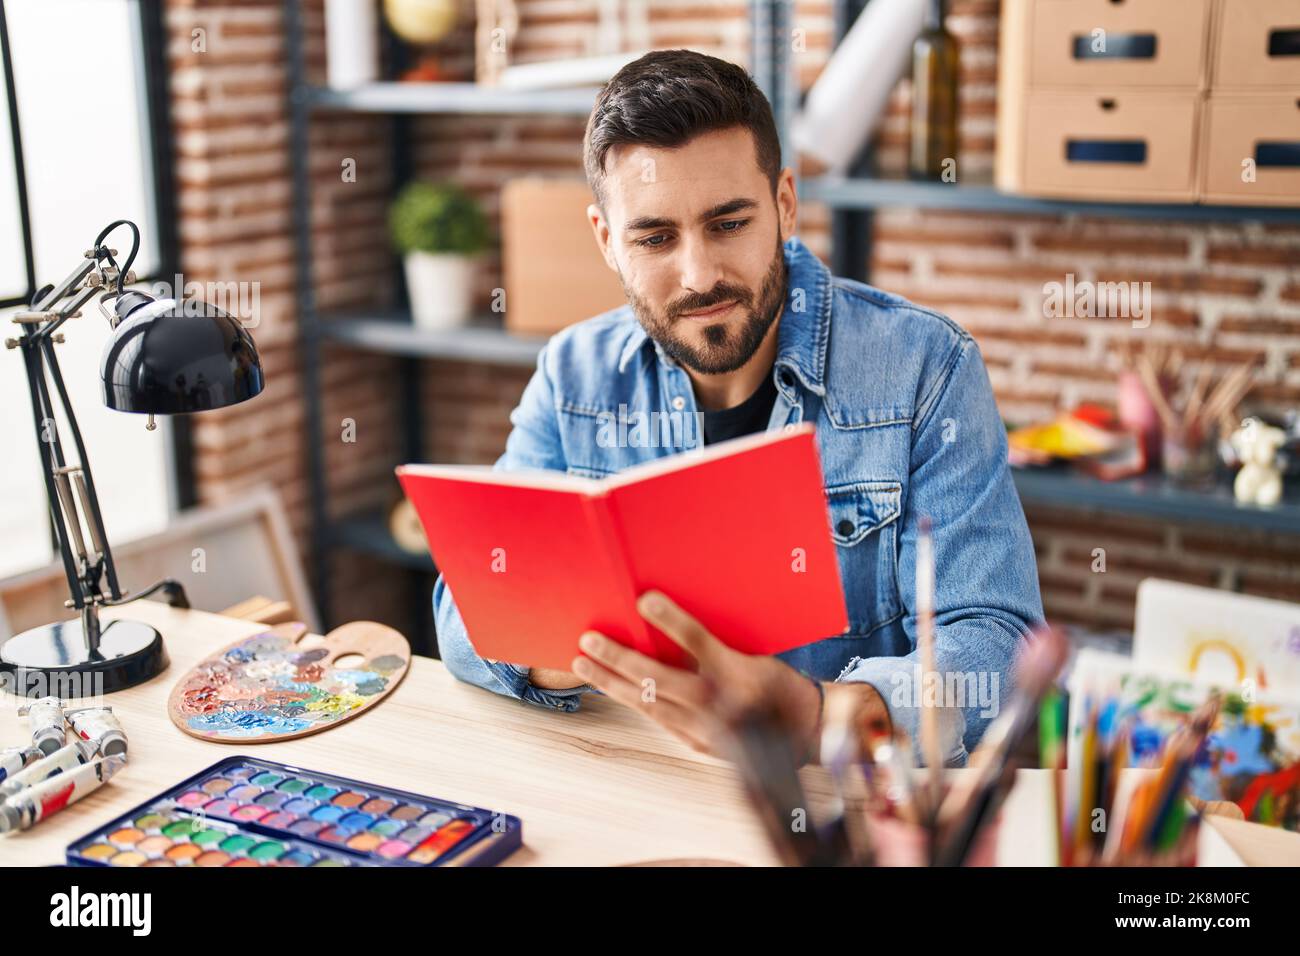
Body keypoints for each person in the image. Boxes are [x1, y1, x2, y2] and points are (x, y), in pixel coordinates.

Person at [435, 49, 1043, 767]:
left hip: (844, 806)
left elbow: (997, 654)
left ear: (786, 203)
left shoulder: (925, 369)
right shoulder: (574, 375)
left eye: (728, 224)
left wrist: (819, 716)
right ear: (605, 238)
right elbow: (467, 609)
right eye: (655, 237)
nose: (700, 276)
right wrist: (589, 652)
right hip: (649, 783)